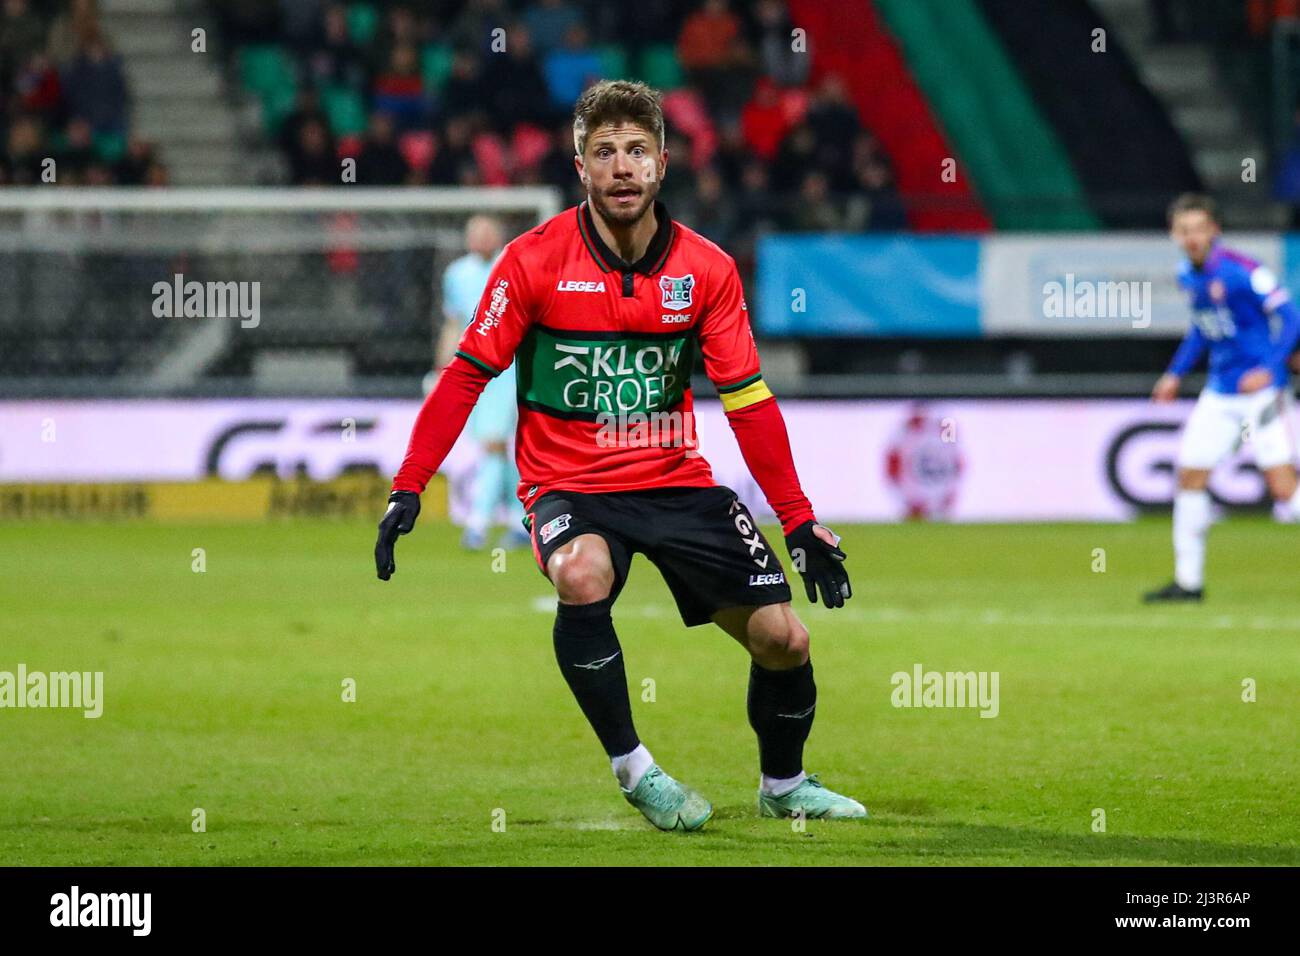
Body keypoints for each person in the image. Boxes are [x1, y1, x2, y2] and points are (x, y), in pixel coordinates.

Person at [376, 80, 862, 830]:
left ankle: (785, 785)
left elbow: (749, 402)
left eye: (637, 150)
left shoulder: (706, 270)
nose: (623, 167)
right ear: (582, 169)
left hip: (674, 480)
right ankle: (636, 770)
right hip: (568, 482)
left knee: (783, 638)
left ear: (663, 163)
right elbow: (467, 374)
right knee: (581, 574)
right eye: (605, 153)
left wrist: (798, 521)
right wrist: (410, 484)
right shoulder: (531, 262)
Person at [1144, 193, 1300, 602]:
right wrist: (1174, 374)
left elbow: (1290, 315)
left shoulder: (1243, 271)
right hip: (1219, 393)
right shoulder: (1186, 275)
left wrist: (1270, 365)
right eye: (1184, 230)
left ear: (1214, 230)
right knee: (1190, 477)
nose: (1192, 237)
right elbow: (1201, 328)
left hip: (1261, 393)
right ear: (1173, 235)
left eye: (1199, 228)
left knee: (1284, 490)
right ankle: (1188, 583)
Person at [433, 215, 529, 550]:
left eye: (488, 233)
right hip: (469, 367)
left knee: (493, 444)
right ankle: (521, 520)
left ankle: (477, 523)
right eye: (476, 233)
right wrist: (442, 364)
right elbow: (454, 321)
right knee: (501, 447)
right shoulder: (456, 274)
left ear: (499, 236)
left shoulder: (513, 265)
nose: (482, 239)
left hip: (506, 369)